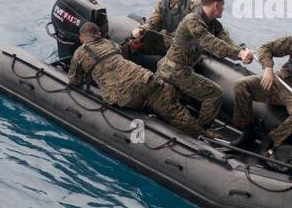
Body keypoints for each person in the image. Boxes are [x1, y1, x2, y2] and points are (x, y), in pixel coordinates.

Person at [68, 22, 202, 136]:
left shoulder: (80, 53)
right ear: (99, 34)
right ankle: (203, 136)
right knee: (174, 108)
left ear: (81, 38)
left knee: (142, 102)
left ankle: (154, 113)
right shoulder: (111, 44)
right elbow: (122, 55)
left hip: (122, 96)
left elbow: (74, 80)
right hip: (145, 79)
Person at [155, 0, 254, 130]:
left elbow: (226, 40)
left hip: (181, 70)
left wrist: (242, 51)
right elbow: (212, 43)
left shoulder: (212, 23)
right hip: (175, 70)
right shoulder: (193, 21)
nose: (224, 8)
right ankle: (200, 130)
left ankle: (187, 117)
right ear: (216, 5)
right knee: (214, 94)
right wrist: (238, 54)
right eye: (223, 5)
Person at [122, 0, 200, 57]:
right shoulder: (163, 3)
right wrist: (141, 29)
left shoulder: (194, 4)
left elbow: (196, 34)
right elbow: (153, 22)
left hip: (183, 48)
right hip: (167, 42)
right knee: (129, 47)